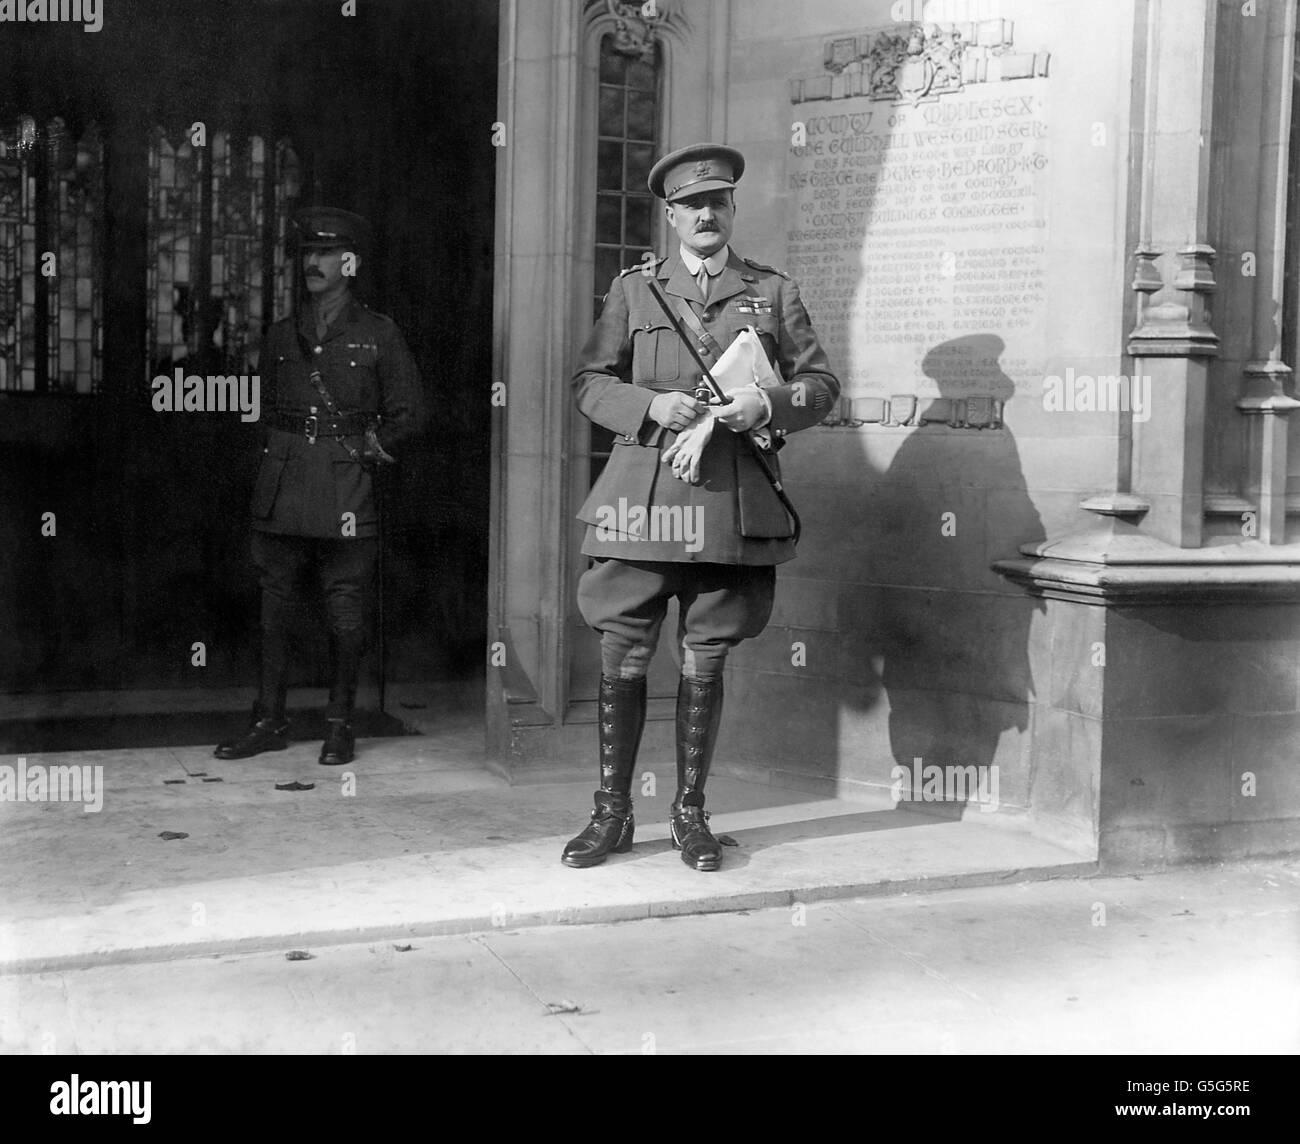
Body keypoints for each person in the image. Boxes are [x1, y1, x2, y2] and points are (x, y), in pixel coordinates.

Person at [563, 143, 840, 871]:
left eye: (718, 201)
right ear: (670, 216)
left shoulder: (773, 293)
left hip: (731, 500)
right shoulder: (635, 291)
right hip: (643, 499)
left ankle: (690, 814)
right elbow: (589, 381)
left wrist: (764, 402)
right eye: (692, 205)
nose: (706, 214)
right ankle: (611, 814)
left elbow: (821, 388)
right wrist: (651, 403)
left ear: (731, 211)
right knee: (622, 648)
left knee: (706, 652)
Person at [215, 207, 425, 767]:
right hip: (283, 483)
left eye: (325, 253)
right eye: (307, 253)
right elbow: (260, 414)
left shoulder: (379, 334)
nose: (312, 262)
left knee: (345, 610)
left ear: (350, 263)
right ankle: (268, 719)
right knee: (274, 610)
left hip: (345, 487)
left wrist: (368, 452)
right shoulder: (282, 335)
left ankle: (340, 724)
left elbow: (410, 414)